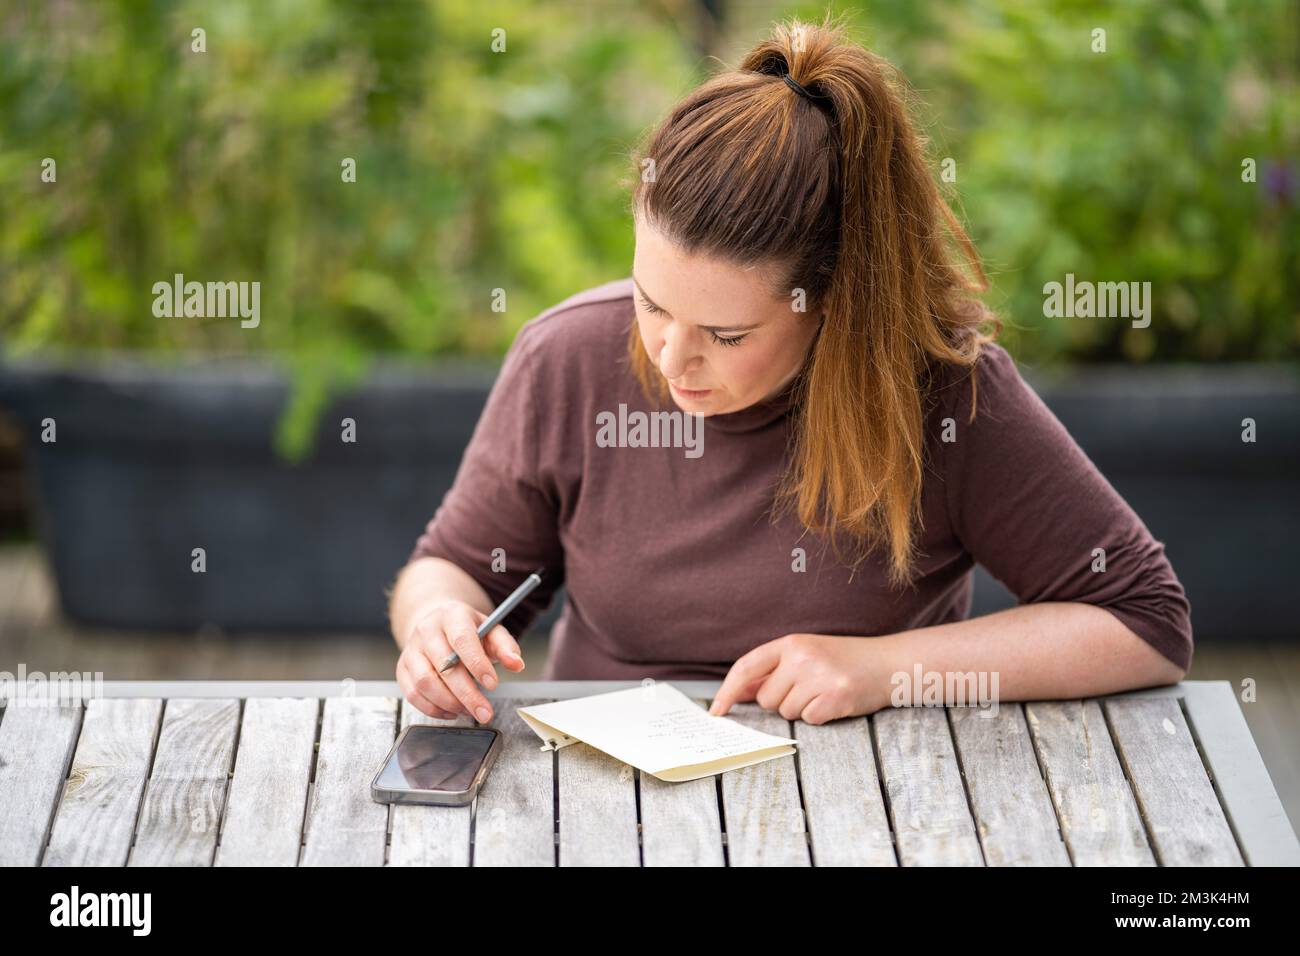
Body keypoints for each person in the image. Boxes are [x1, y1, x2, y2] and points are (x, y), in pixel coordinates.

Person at [387, 15, 1192, 727]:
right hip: (598, 790)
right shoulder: (566, 357)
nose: (670, 361)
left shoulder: (946, 395)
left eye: (726, 334)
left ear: (834, 300)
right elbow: (454, 565)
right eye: (652, 303)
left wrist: (884, 673)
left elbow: (1145, 622)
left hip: (869, 794)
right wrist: (438, 624)